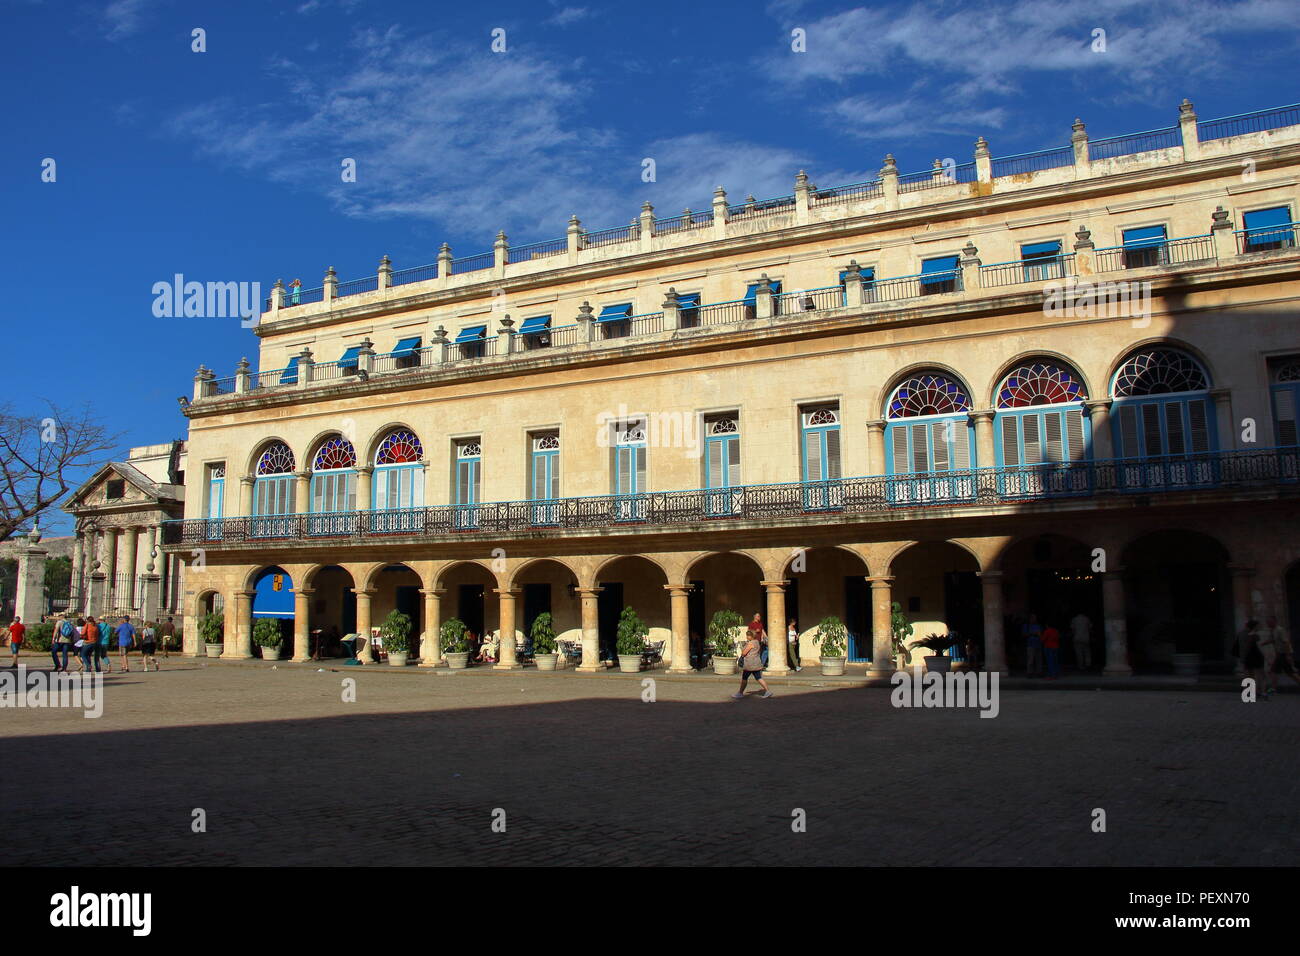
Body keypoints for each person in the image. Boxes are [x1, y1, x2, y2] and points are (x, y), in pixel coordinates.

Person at [732, 626, 773, 699]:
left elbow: (744, 653)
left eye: (748, 635)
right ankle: (767, 691)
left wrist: (743, 649)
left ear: (751, 636)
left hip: (749, 664)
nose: (747, 637)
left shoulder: (750, 643)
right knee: (759, 678)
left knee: (744, 678)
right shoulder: (757, 642)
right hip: (756, 663)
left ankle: (740, 693)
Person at [1266, 616, 1300, 689]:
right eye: (1267, 622)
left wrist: (1288, 655)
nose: (1267, 624)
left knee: (1286, 672)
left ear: (1274, 621)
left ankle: (1272, 688)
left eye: (1269, 622)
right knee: (1289, 673)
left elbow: (1286, 642)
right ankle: (1273, 688)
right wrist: (1263, 643)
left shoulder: (1280, 630)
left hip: (1283, 654)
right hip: (1280, 654)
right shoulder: (1273, 630)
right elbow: (1273, 640)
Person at [1239, 619, 1268, 698]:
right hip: (1256, 656)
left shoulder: (1243, 634)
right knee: (1261, 674)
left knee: (1251, 674)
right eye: (1257, 625)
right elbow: (1260, 647)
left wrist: (1243, 657)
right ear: (1254, 626)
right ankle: (1262, 692)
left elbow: (1243, 647)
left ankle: (1252, 691)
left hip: (1249, 656)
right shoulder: (1255, 636)